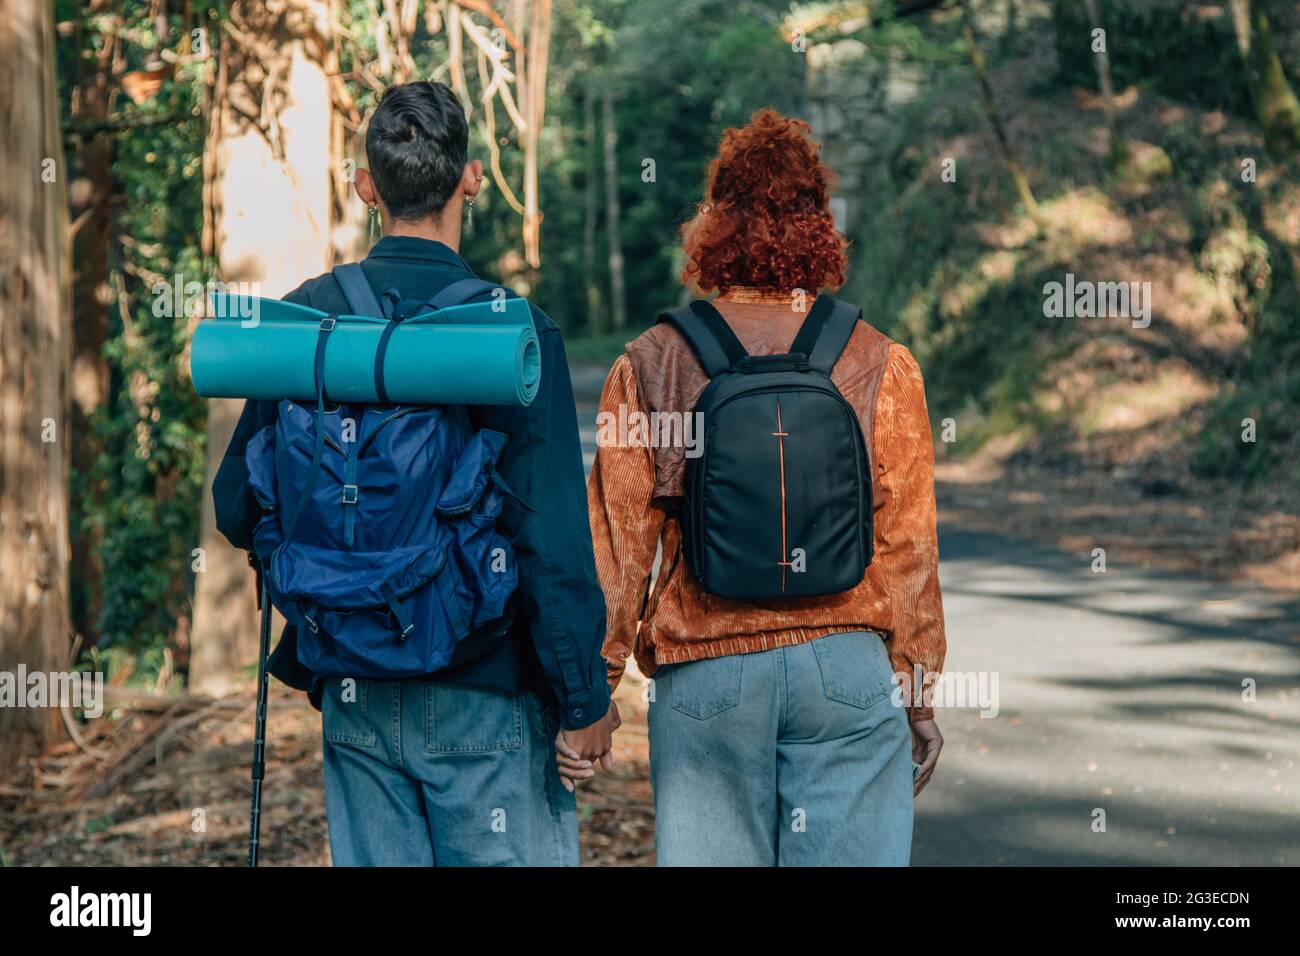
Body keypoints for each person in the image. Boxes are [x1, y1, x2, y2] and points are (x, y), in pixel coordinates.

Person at [214, 80, 616, 866]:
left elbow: (238, 503)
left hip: (352, 691)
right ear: (470, 177)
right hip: (483, 689)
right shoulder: (511, 333)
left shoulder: (309, 321)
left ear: (368, 187)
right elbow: (552, 537)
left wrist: (340, 580)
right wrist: (583, 698)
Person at [573, 108, 946, 866]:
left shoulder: (652, 362)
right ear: (820, 222)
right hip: (846, 670)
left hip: (710, 676)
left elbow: (615, 544)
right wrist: (915, 688)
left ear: (715, 222)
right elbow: (909, 547)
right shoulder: (880, 362)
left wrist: (591, 692)